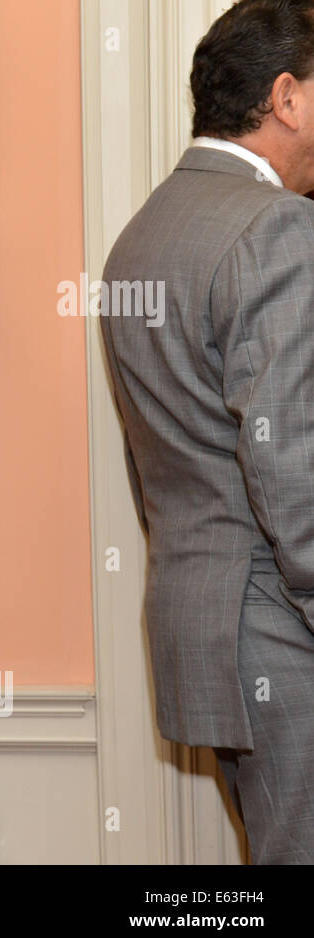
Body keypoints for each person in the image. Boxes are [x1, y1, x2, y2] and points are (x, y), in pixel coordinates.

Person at [101, 0, 314, 863]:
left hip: (207, 632)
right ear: (288, 97)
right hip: (281, 635)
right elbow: (293, 472)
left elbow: (160, 459)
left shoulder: (135, 240)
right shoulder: (278, 229)